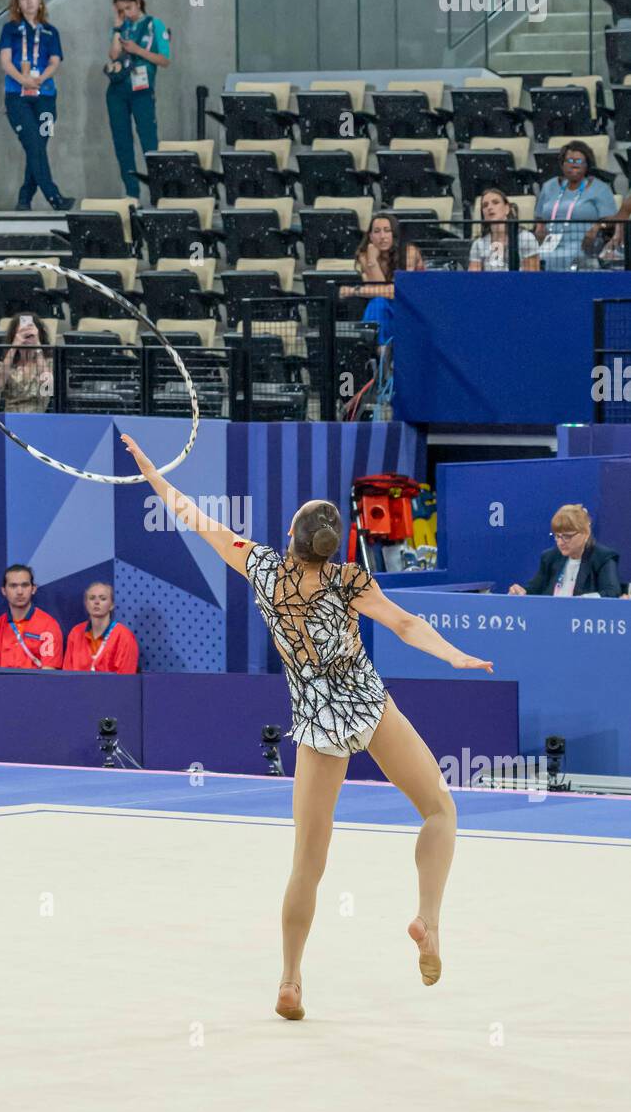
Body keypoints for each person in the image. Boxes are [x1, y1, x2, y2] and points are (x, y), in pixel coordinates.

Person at [121, 433, 494, 1015]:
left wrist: (151, 469)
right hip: (368, 707)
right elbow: (405, 625)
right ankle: (428, 917)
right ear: (329, 542)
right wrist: (454, 655)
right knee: (440, 809)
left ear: (291, 537)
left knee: (308, 863)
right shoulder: (349, 582)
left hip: (317, 722)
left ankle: (290, 979)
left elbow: (191, 516)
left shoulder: (263, 569)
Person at [0, 0, 73, 212]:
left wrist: (40, 78)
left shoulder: (51, 31)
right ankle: (54, 197)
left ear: (40, 1)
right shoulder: (10, 29)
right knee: (33, 143)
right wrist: (24, 80)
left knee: (39, 144)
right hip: (17, 96)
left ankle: (24, 198)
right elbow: (6, 61)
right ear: (18, 4)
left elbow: (55, 60)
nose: (29, 1)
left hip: (46, 97)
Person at [105, 0, 171, 199]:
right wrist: (116, 27)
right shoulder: (121, 27)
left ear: (138, 1)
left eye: (129, 8)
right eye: (121, 10)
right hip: (118, 89)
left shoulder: (154, 24)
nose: (126, 13)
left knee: (149, 140)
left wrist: (137, 50)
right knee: (122, 142)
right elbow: (114, 55)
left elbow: (164, 60)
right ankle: (132, 192)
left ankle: (158, 191)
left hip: (142, 89)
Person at [337, 211, 424, 344]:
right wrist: (372, 261)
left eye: (387, 230)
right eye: (377, 231)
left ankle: (373, 350)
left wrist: (354, 290)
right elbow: (380, 289)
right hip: (387, 307)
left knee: (378, 304)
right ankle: (381, 351)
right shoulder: (366, 255)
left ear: (394, 234)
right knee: (378, 303)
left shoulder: (409, 252)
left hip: (415, 307)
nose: (382, 236)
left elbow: (396, 291)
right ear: (370, 237)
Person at [508, 504, 620, 598]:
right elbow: (534, 589)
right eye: (557, 536)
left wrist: (583, 600)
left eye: (567, 536)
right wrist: (520, 591)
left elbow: (611, 592)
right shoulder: (550, 557)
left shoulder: (602, 557)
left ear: (585, 533)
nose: (560, 542)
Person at [534, 141, 615, 271]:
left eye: (578, 161)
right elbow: (539, 217)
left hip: (584, 245)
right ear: (562, 164)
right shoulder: (549, 186)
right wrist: (540, 226)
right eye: (569, 161)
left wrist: (597, 227)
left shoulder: (600, 188)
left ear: (587, 165)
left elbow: (611, 220)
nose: (573, 165)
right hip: (549, 244)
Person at [0, 564, 63, 668]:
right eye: (13, 586)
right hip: (2, 684)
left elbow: (49, 673)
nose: (20, 592)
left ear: (33, 589)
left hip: (37, 684)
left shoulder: (49, 626)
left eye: (25, 585)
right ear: (4, 591)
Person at [63, 581, 139, 674]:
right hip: (78, 687)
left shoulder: (125, 637)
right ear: (86, 604)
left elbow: (127, 680)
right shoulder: (76, 633)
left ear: (111, 605)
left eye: (103, 599)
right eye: (92, 598)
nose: (97, 602)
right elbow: (67, 675)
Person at [468, 187, 541, 271]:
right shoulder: (478, 244)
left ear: (507, 209)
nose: (489, 207)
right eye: (485, 205)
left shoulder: (526, 238)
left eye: (495, 203)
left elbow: (532, 277)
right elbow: (473, 279)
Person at [0, 313, 53, 412]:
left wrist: (37, 345)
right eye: (22, 332)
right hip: (10, 418)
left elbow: (47, 389)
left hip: (38, 418)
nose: (26, 337)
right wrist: (14, 346)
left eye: (30, 334)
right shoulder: (7, 363)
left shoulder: (48, 363)